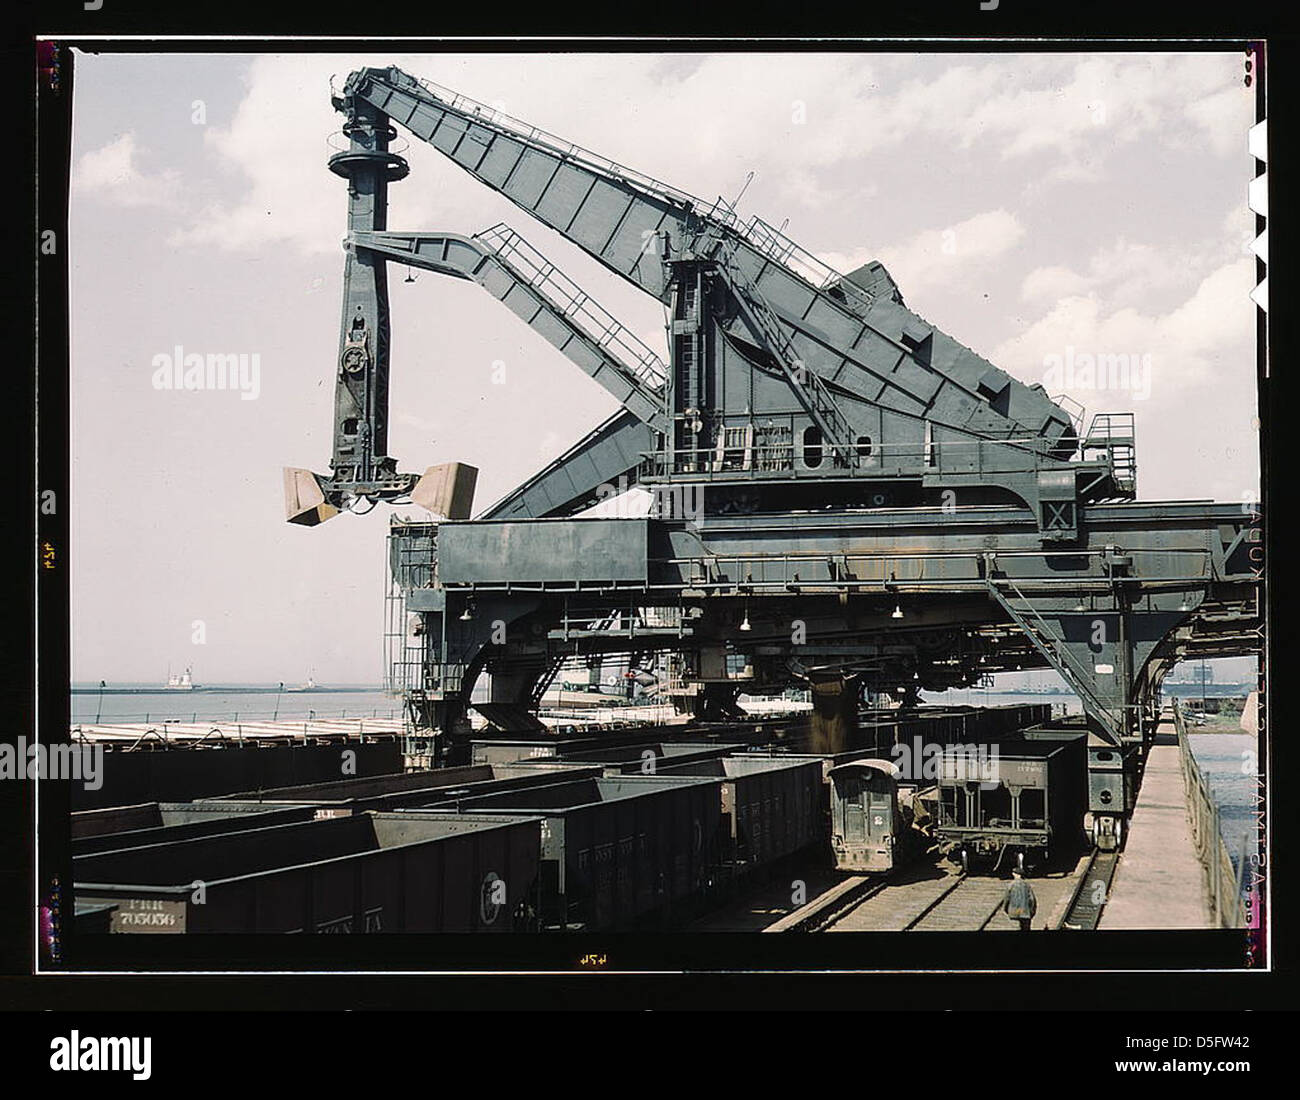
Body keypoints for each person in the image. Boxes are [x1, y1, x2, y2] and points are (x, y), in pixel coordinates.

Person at [1003, 866, 1037, 931]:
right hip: (1025, 912)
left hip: (1013, 912)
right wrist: (1032, 912)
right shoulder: (1027, 885)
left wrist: (1006, 910)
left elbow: (1007, 899)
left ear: (1018, 875)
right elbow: (1032, 900)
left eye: (1014, 873)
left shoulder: (1010, 885)